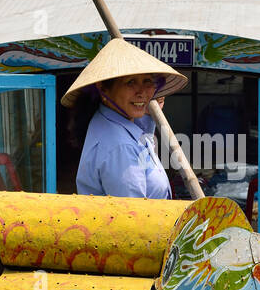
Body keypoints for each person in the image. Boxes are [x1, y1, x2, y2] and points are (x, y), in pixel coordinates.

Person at [61, 37, 187, 199]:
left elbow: (142, 136)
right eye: (131, 82)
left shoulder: (111, 121)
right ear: (104, 89)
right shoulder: (120, 147)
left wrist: (145, 111)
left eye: (147, 81)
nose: (141, 92)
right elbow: (135, 216)